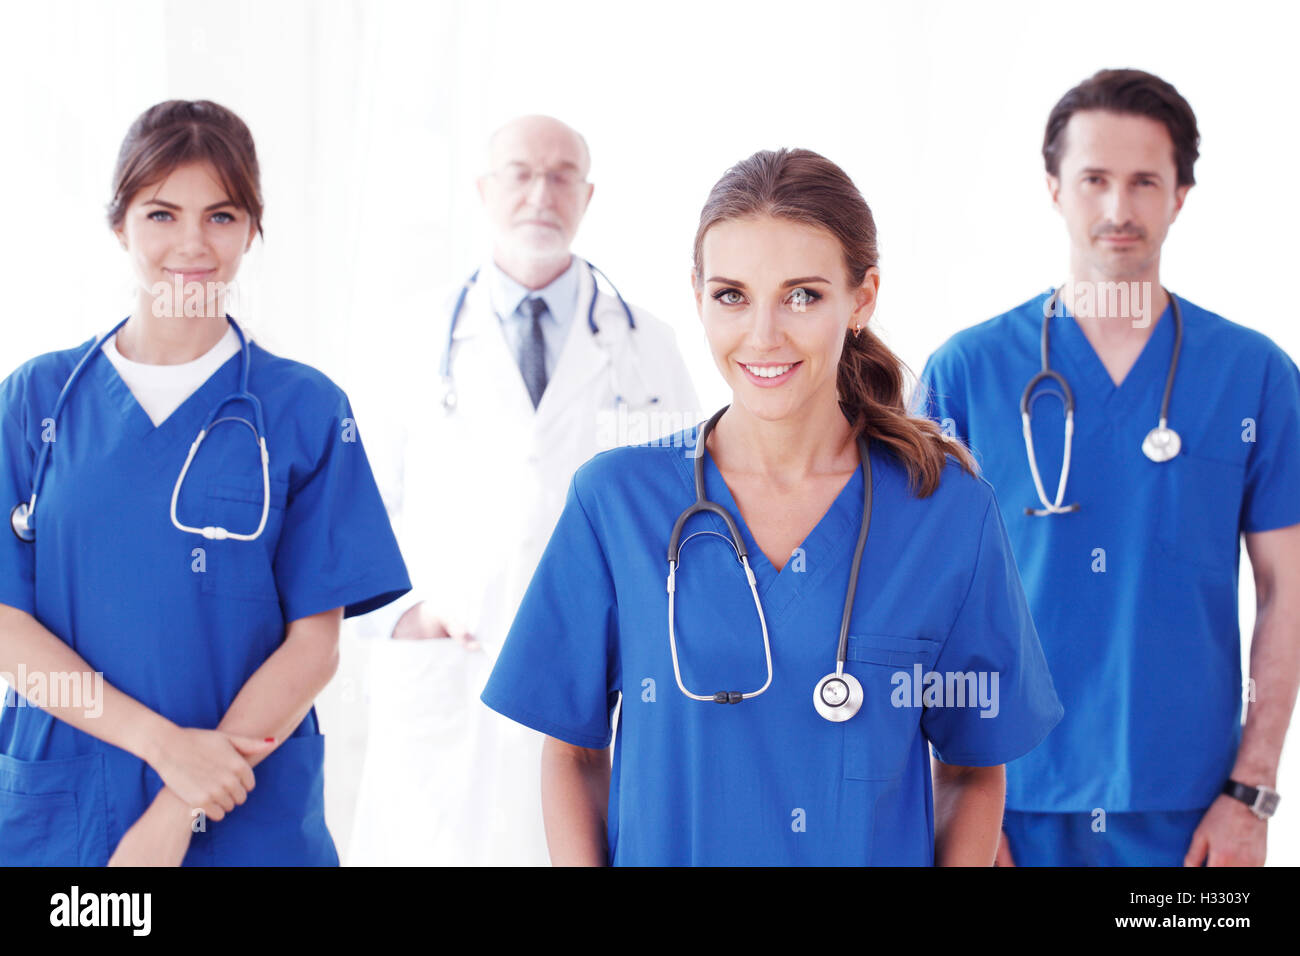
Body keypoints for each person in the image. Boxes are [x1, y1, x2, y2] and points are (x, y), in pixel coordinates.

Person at [479, 147, 1063, 866]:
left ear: (863, 298)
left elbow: (973, 768)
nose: (763, 336)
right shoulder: (617, 502)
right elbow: (572, 753)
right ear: (697, 296)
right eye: (732, 295)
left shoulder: (944, 511)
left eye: (802, 296)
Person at [0, 100, 410, 866]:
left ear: (253, 229)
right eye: (162, 214)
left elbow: (314, 647)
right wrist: (162, 748)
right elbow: (6, 626)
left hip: (243, 807)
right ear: (119, 224)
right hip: (70, 804)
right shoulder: (34, 401)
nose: (192, 244)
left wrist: (180, 807)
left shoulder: (307, 410)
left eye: (221, 216)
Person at [920, 69, 1300, 866]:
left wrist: (1252, 796)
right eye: (1094, 179)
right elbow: (919, 597)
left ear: (1181, 195)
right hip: (1006, 799)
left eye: (1144, 182)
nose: (1118, 209)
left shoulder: (1254, 374)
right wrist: (951, 797)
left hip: (1190, 810)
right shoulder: (968, 371)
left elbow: (1286, 588)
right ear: (1054, 187)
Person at [348, 115, 699, 866]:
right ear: (483, 189)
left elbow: (684, 514)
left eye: (563, 174)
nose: (541, 191)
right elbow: (354, 513)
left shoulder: (650, 344)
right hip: (450, 669)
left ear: (589, 194)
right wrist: (407, 615)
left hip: (596, 670)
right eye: (519, 172)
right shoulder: (409, 337)